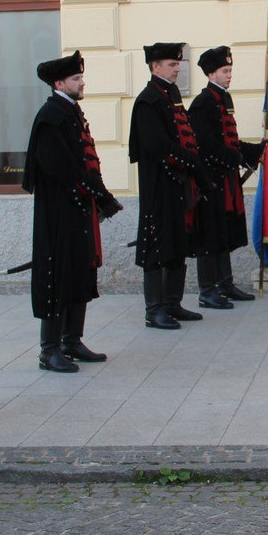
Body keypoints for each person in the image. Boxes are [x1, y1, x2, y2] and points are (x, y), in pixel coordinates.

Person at [24, 51, 123, 373]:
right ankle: (49, 349)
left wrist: (97, 193)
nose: (82, 82)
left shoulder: (70, 111)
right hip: (60, 210)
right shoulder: (52, 115)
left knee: (80, 269)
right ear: (59, 83)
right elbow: (60, 167)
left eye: (81, 77)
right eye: (76, 78)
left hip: (79, 206)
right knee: (58, 272)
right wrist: (95, 192)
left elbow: (85, 161)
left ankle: (72, 340)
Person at [129, 42, 212, 330]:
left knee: (178, 242)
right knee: (156, 246)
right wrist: (191, 162)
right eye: (172, 64)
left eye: (178, 64)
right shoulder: (148, 99)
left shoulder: (170, 94)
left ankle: (173, 303)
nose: (178, 68)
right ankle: (154, 310)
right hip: (159, 185)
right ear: (155, 67)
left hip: (178, 184)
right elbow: (157, 146)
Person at [188, 45, 264, 310]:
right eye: (225, 70)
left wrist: (254, 150)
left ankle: (225, 284)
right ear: (211, 74)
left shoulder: (223, 99)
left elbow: (228, 140)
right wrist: (236, 158)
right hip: (210, 179)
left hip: (225, 178)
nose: (229, 75)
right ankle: (207, 290)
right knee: (209, 234)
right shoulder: (203, 103)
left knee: (223, 231)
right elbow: (206, 145)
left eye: (230, 70)